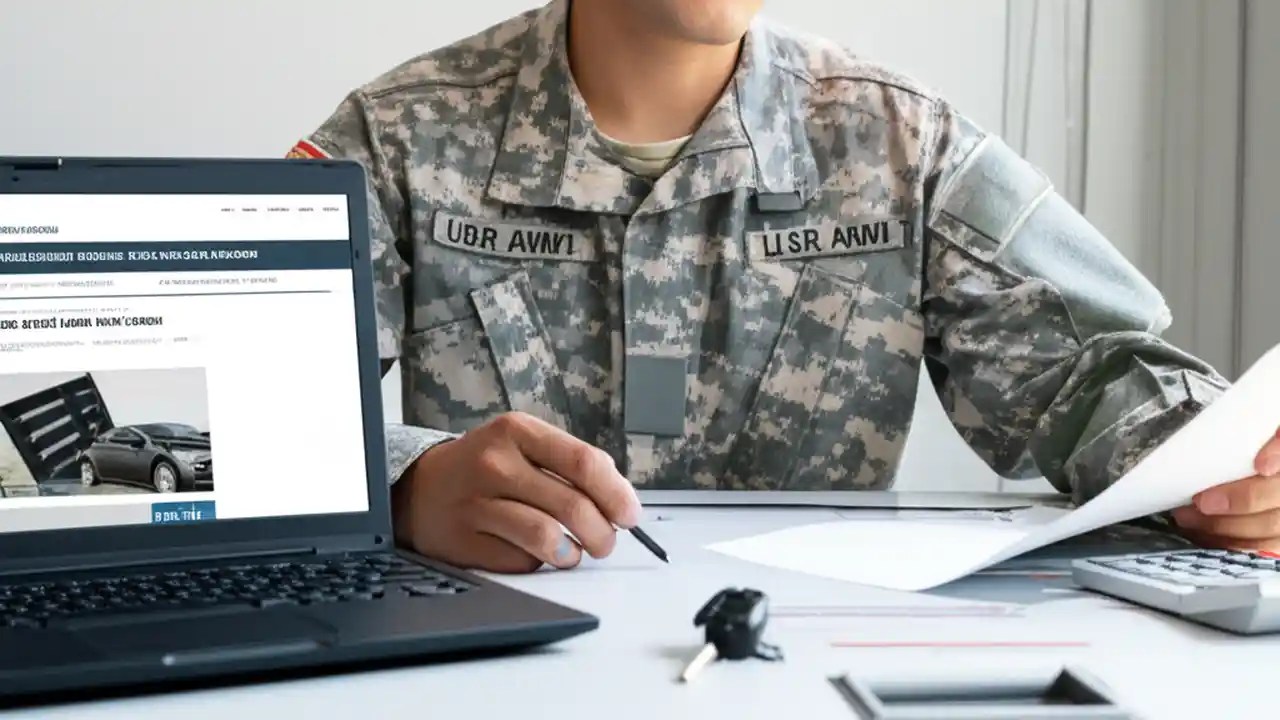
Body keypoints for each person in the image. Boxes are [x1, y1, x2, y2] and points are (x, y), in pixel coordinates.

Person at [288, 0, 1280, 573]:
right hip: (494, 667)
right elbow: (252, 425)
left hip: (809, 665)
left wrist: (1230, 471)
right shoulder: (396, 138)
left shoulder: (900, 144)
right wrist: (406, 484)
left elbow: (1094, 378)